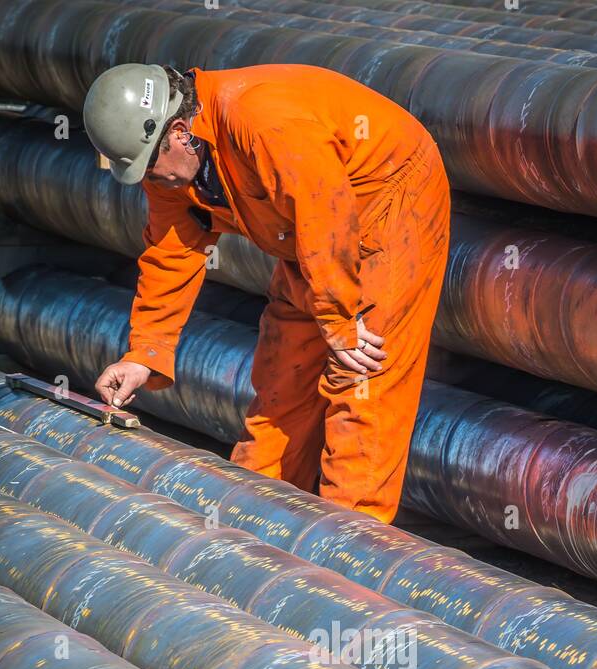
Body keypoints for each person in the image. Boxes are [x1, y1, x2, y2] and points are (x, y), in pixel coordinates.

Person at [84, 62, 450, 523]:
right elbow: (171, 251)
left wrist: (338, 321)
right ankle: (256, 520)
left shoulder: (262, 119)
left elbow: (324, 209)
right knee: (283, 372)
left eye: (150, 169)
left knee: (359, 379)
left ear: (179, 132)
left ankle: (349, 543)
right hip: (313, 233)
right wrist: (144, 352)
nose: (153, 183)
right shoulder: (173, 163)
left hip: (387, 200)